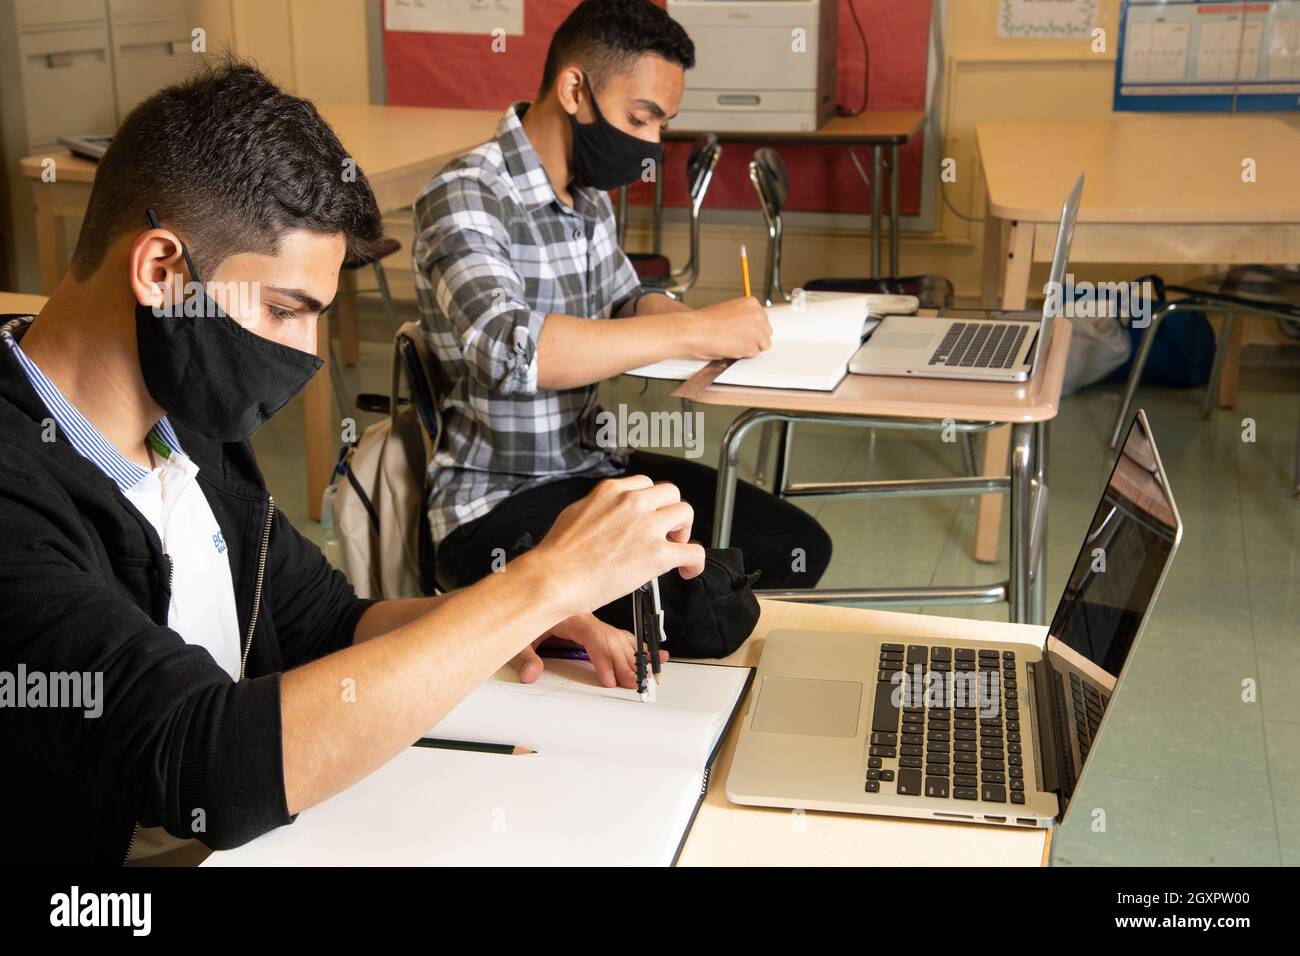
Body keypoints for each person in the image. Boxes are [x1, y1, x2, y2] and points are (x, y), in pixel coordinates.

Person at [0, 59, 703, 867]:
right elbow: (204, 765)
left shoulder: (185, 425)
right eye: (283, 310)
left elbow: (328, 626)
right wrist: (535, 586)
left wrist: (503, 620)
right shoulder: (19, 492)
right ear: (162, 272)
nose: (308, 354)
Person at [414, 0, 833, 608]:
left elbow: (627, 300)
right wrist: (693, 334)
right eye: (641, 119)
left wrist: (686, 320)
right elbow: (511, 350)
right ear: (574, 89)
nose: (652, 145)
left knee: (795, 545)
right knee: (709, 603)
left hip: (592, 468)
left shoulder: (587, 200)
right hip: (496, 504)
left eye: (661, 125)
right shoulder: (466, 195)